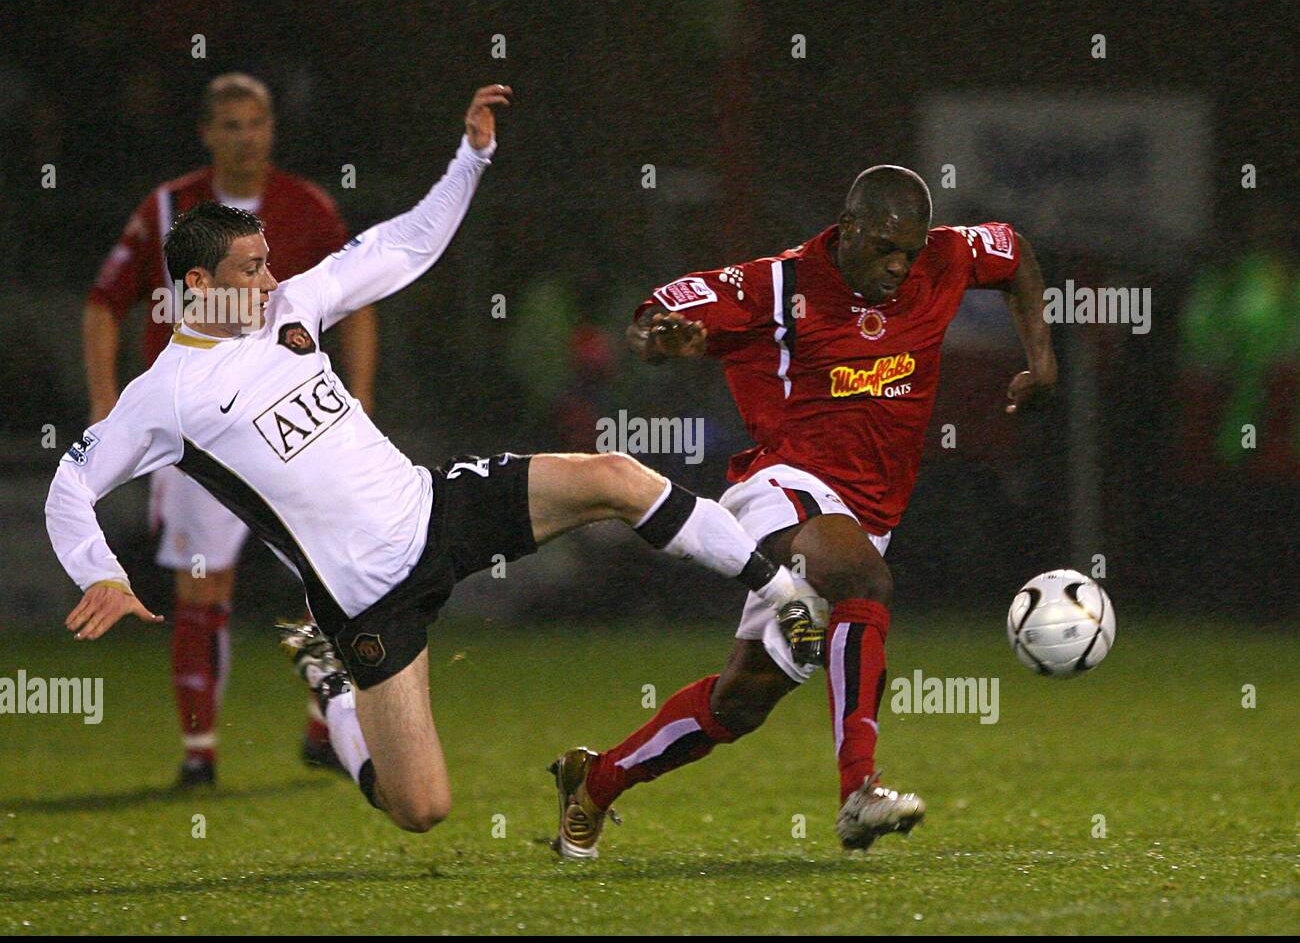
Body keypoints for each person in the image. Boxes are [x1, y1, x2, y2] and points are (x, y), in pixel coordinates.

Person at [46, 85, 824, 834]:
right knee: (421, 809)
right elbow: (70, 483)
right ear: (196, 284)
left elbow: (405, 243)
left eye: (268, 262)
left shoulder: (290, 306)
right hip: (367, 601)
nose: (271, 279)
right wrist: (99, 572)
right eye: (252, 269)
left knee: (614, 476)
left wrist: (470, 158)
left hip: (435, 510)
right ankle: (333, 689)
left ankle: (780, 590)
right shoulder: (166, 396)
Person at [551, 165, 1056, 856]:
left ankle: (594, 782)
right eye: (882, 247)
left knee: (741, 702)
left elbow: (1017, 252)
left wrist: (1043, 359)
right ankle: (861, 790)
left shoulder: (944, 258)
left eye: (907, 250)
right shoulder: (778, 284)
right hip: (781, 485)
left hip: (869, 513)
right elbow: (657, 315)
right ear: (846, 228)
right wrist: (659, 341)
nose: (897, 265)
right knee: (865, 583)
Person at [83, 72, 378, 785]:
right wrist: (105, 404)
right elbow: (103, 303)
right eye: (232, 125)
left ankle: (322, 729)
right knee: (201, 591)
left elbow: (359, 301)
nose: (246, 137)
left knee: (333, 576)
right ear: (208, 133)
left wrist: (361, 396)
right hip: (200, 435)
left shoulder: (305, 207)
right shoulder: (166, 207)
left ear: (271, 128)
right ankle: (200, 753)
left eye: (257, 123)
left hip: (288, 428)